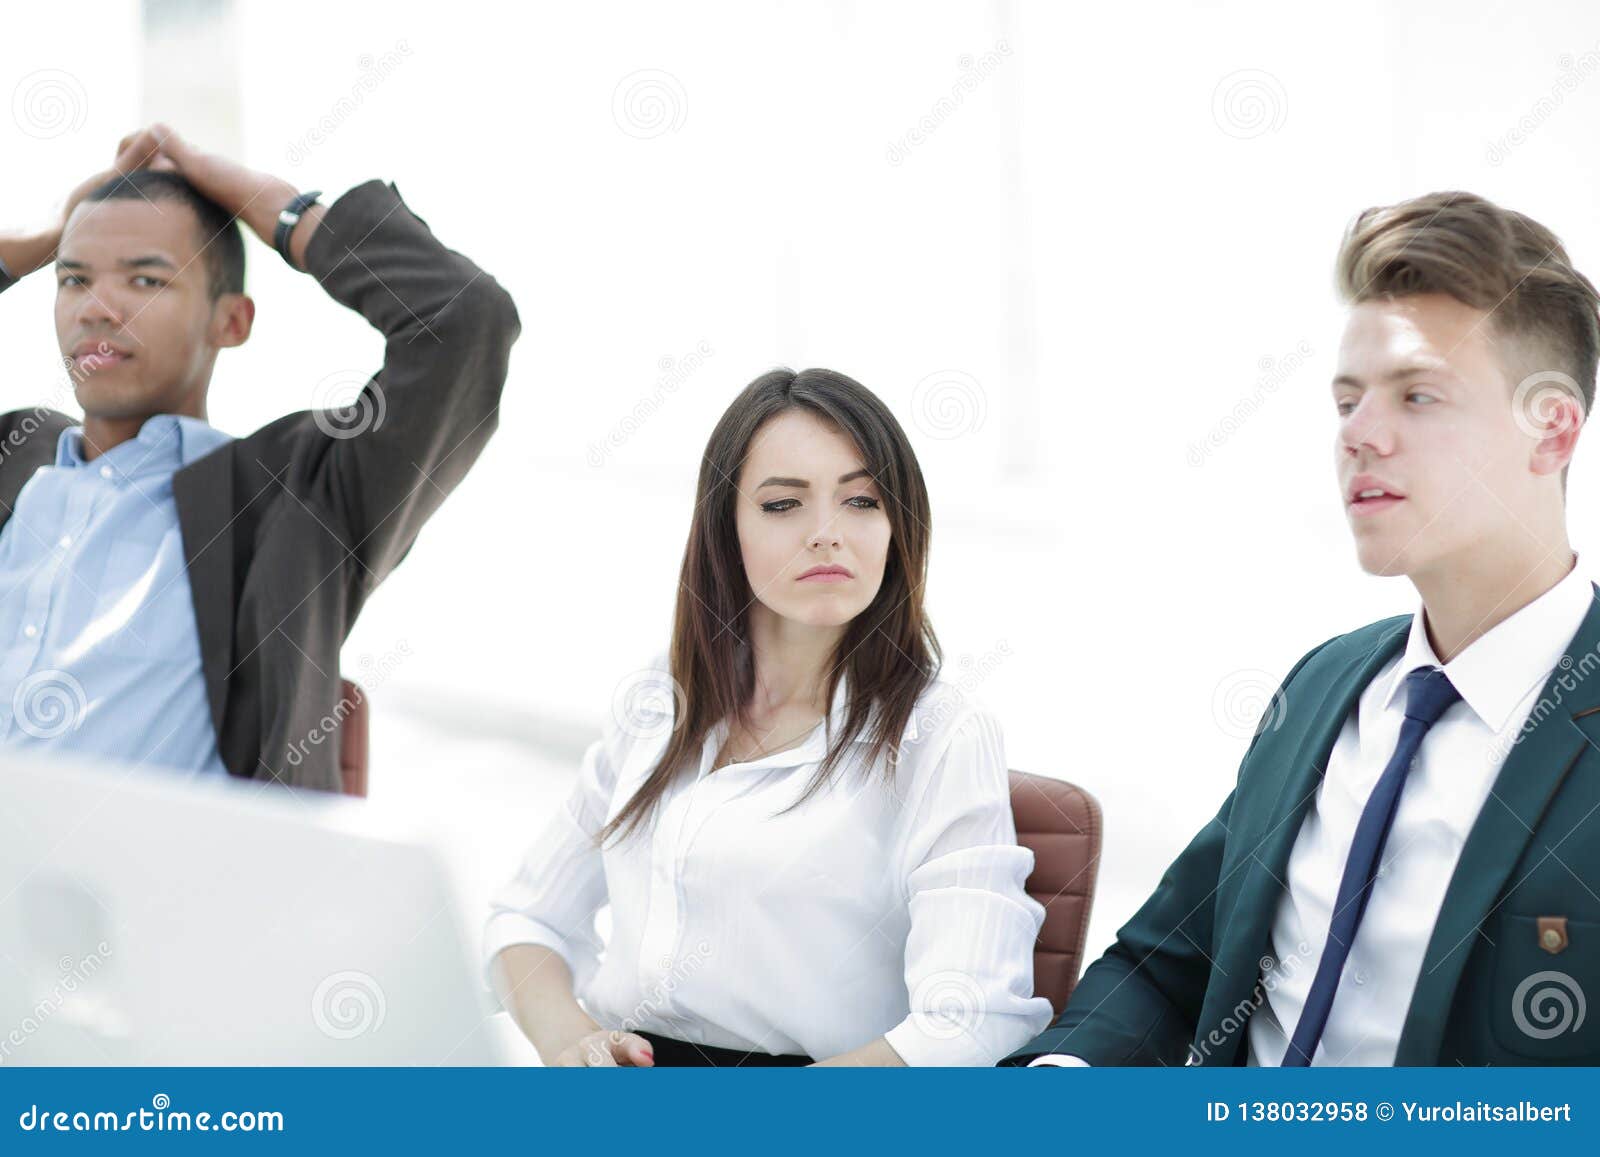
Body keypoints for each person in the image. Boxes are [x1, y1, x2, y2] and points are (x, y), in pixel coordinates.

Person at [1012, 191, 1600, 1067]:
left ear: (1550, 430)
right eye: (1346, 401)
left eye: (1418, 395)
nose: (1360, 435)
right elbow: (1172, 964)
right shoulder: (1327, 686)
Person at [486, 367, 1052, 1066]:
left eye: (862, 500)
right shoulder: (660, 696)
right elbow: (528, 917)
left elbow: (970, 1019)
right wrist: (572, 1042)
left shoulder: (937, 731)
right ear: (727, 528)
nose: (826, 534)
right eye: (784, 505)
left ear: (897, 525)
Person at [0, 124, 518, 790]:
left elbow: (463, 323)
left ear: (232, 321)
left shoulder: (294, 496)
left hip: (177, 884)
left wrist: (281, 210)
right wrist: (35, 240)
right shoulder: (15, 461)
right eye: (73, 280)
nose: (98, 308)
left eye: (147, 280)